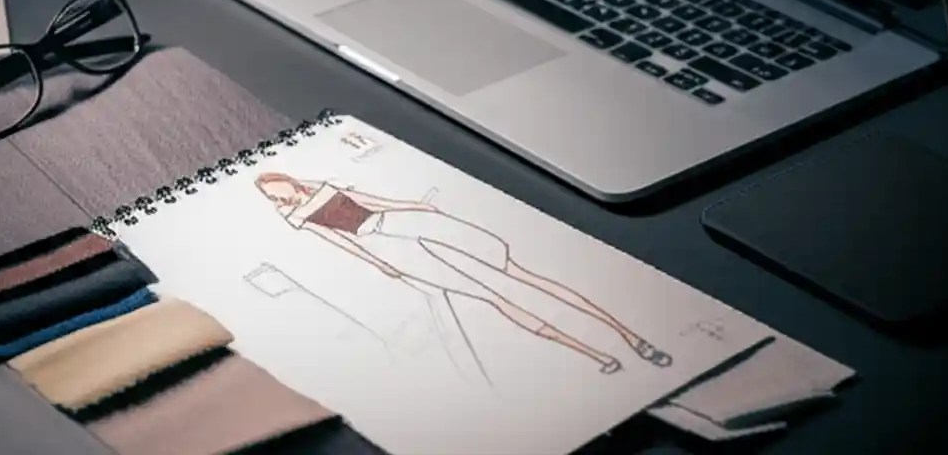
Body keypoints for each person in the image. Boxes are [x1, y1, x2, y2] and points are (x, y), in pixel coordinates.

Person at [253, 172, 672, 377]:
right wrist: (382, 264)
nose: (279, 199)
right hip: (390, 248)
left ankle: (631, 336)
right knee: (492, 296)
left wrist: (419, 208)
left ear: (288, 181)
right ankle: (595, 355)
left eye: (278, 191)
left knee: (521, 275)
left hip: (407, 225)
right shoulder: (297, 218)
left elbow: (376, 199)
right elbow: (341, 243)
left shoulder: (323, 187)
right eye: (272, 198)